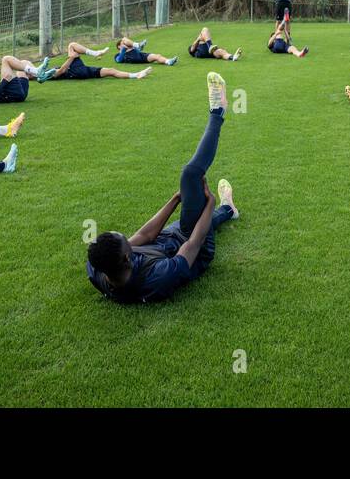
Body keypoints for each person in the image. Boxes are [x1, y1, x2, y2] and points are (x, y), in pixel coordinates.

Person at [86, 72, 240, 303]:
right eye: (125, 241)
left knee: (189, 204)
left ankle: (229, 209)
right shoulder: (157, 277)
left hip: (171, 237)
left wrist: (175, 199)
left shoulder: (99, 264)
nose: (129, 238)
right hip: (195, 249)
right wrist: (209, 205)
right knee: (190, 175)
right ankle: (218, 112)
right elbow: (193, 244)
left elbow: (146, 235)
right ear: (127, 258)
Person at [39, 42, 151, 82]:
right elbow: (60, 71)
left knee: (110, 71)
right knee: (72, 45)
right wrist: (71, 58)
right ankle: (95, 53)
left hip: (83, 70)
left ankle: (136, 75)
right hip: (75, 71)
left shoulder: (41, 73)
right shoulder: (44, 75)